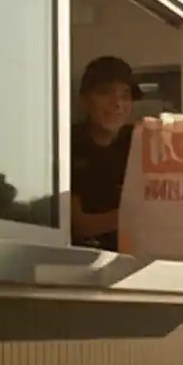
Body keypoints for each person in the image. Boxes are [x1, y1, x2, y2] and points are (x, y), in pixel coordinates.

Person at [71, 56, 142, 251]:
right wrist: (141, 215)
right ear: (84, 100)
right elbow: (80, 225)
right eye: (105, 93)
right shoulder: (68, 143)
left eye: (125, 95)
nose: (117, 104)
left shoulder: (141, 143)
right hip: (78, 262)